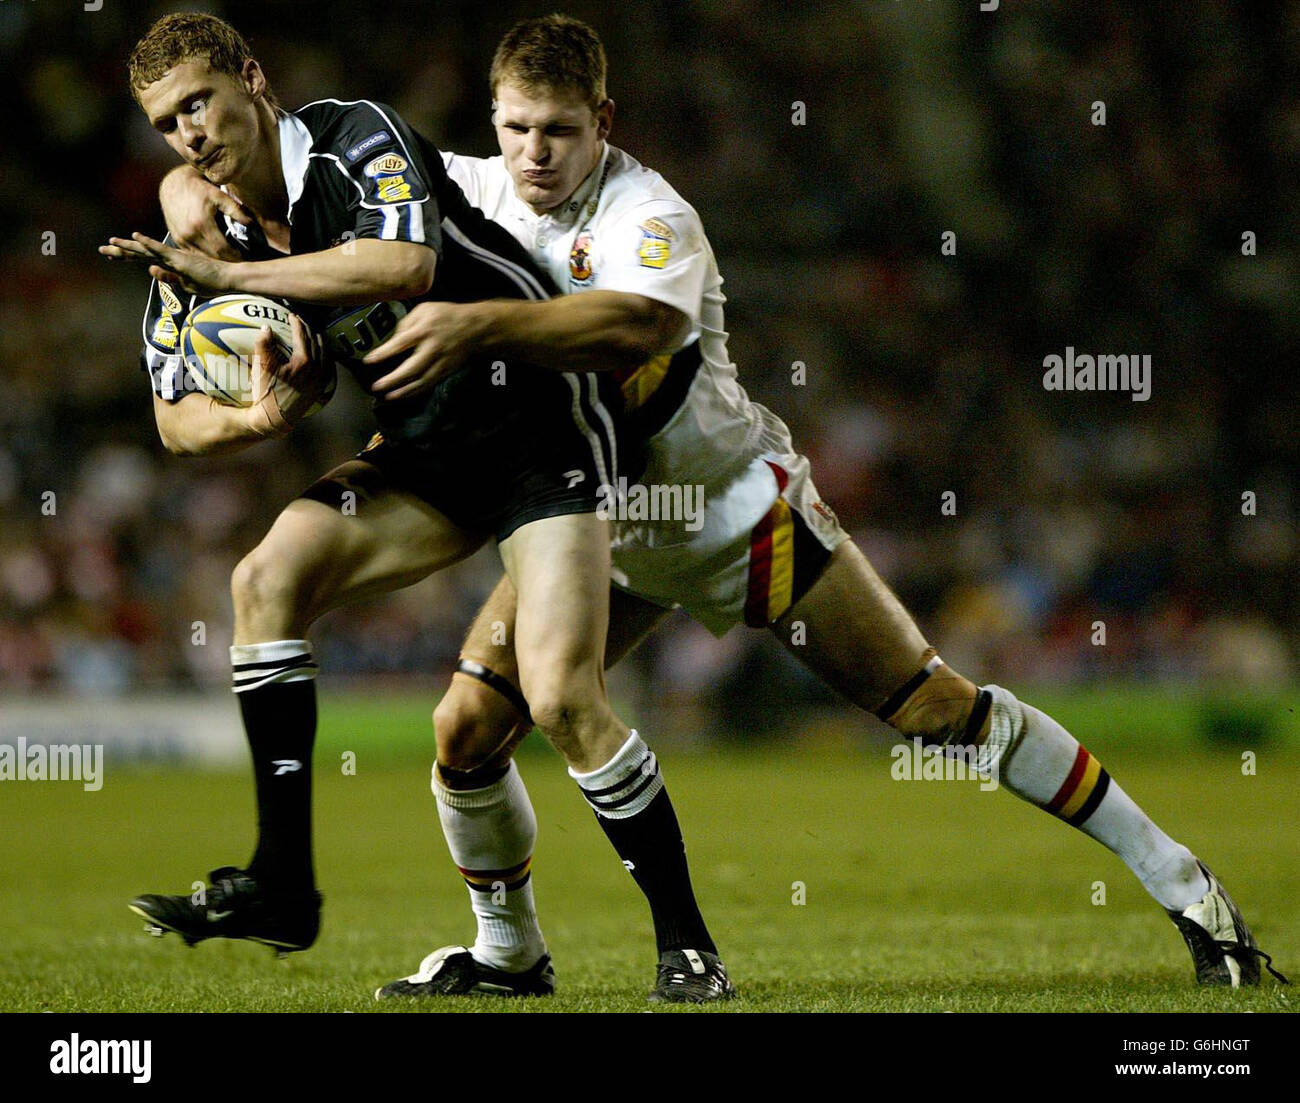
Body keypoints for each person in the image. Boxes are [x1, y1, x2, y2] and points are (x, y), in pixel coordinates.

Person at [162, 16, 1287, 1000]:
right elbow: (303, 183)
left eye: (556, 130)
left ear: (603, 118)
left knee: (932, 710)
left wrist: (480, 326)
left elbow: (633, 331)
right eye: (512, 129)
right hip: (594, 511)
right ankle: (506, 952)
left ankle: (1187, 886)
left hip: (730, 509)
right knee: (465, 734)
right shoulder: (474, 180)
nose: (532, 155)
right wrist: (187, 193)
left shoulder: (655, 217)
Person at [103, 11, 731, 1003]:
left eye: (199, 102)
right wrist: (258, 414)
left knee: (561, 697)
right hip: (425, 452)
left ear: (253, 80)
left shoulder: (357, 138)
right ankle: (282, 883)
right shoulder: (200, 231)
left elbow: (404, 267)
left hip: (542, 425)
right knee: (263, 577)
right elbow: (176, 422)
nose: (187, 133)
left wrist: (234, 275)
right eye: (165, 121)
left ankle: (688, 946)